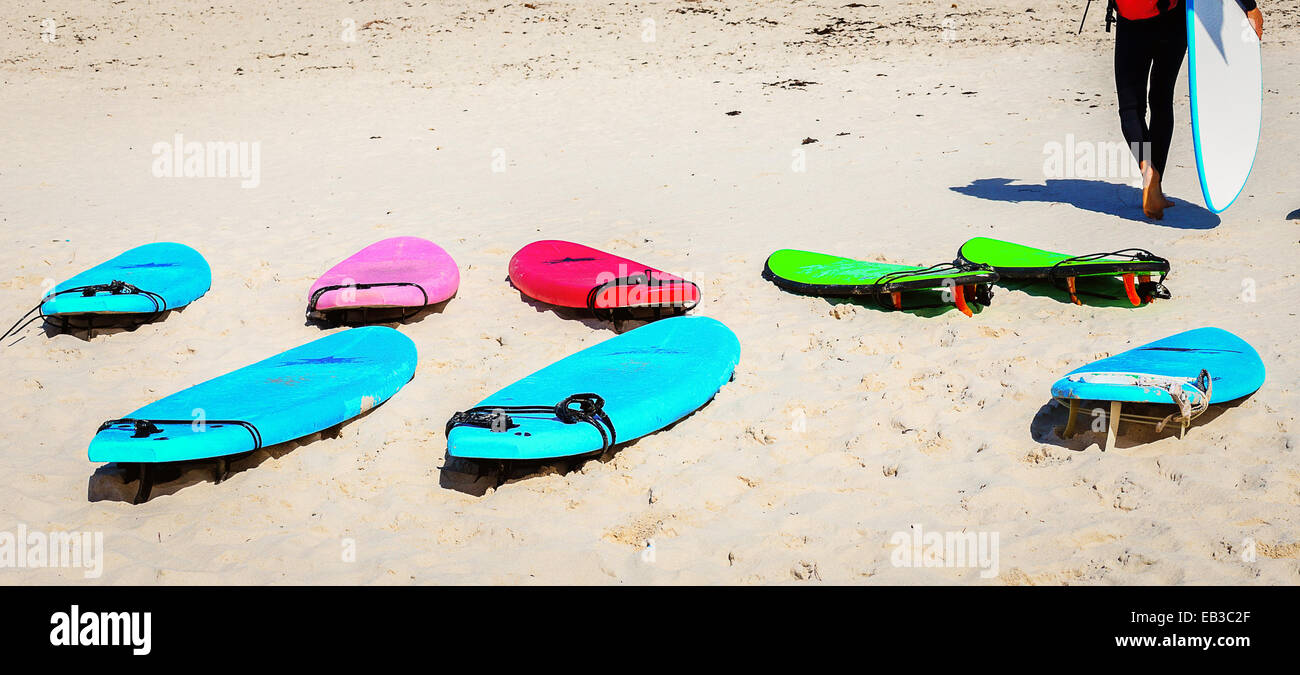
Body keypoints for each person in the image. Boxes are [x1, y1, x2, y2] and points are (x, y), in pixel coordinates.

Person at [1112, 0, 1264, 219]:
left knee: (1130, 108)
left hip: (1131, 21)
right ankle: (1156, 186)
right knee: (1161, 99)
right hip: (1172, 20)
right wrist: (1250, 7)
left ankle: (1148, 170)